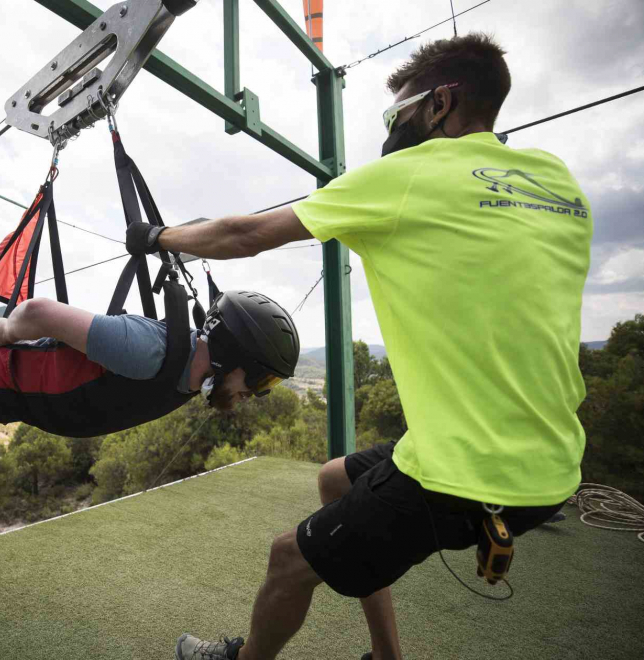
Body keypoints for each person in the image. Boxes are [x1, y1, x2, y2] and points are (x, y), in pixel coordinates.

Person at [126, 34, 591, 660]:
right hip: (556, 465)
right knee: (332, 479)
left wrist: (158, 237)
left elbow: (248, 233)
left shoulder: (406, 175)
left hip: (467, 472)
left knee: (289, 560)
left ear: (439, 104)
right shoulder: (559, 183)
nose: (391, 125)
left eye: (395, 110)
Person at [0, 289, 300, 437]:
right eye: (261, 381)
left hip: (24, 386)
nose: (256, 395)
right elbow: (37, 313)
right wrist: (3, 333)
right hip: (4, 383)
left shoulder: (191, 373)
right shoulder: (149, 350)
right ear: (231, 354)